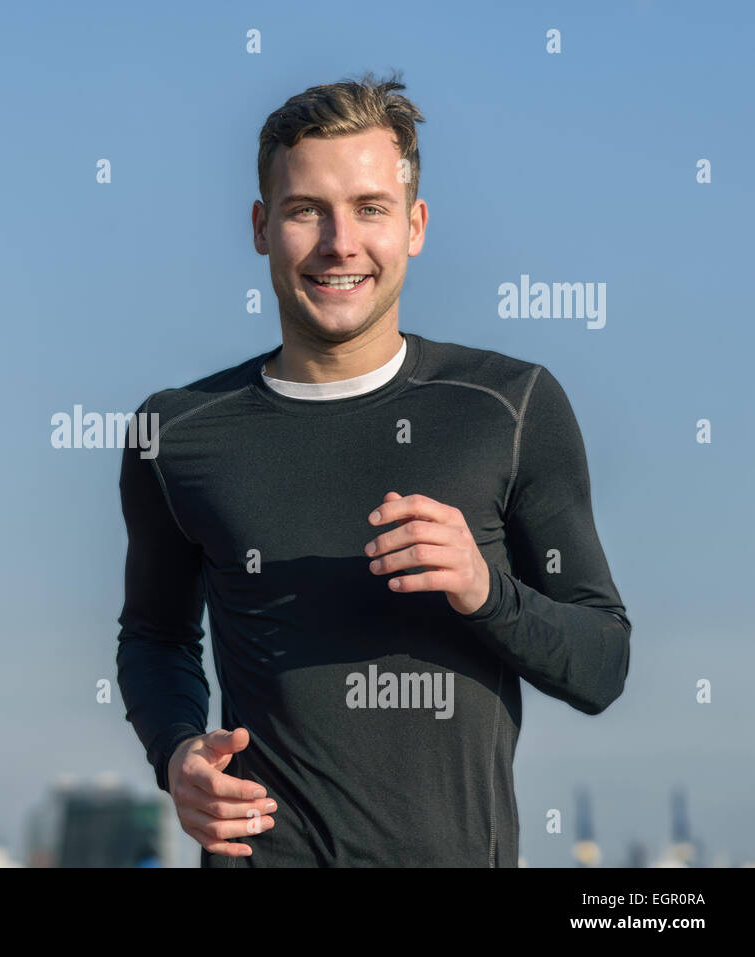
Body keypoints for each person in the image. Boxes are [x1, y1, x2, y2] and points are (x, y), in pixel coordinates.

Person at [115, 72, 630, 867]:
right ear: (260, 226)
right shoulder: (174, 431)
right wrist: (178, 749)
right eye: (304, 210)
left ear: (415, 224)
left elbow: (603, 662)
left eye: (369, 208)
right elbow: (155, 635)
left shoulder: (508, 406)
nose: (339, 243)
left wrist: (485, 590)